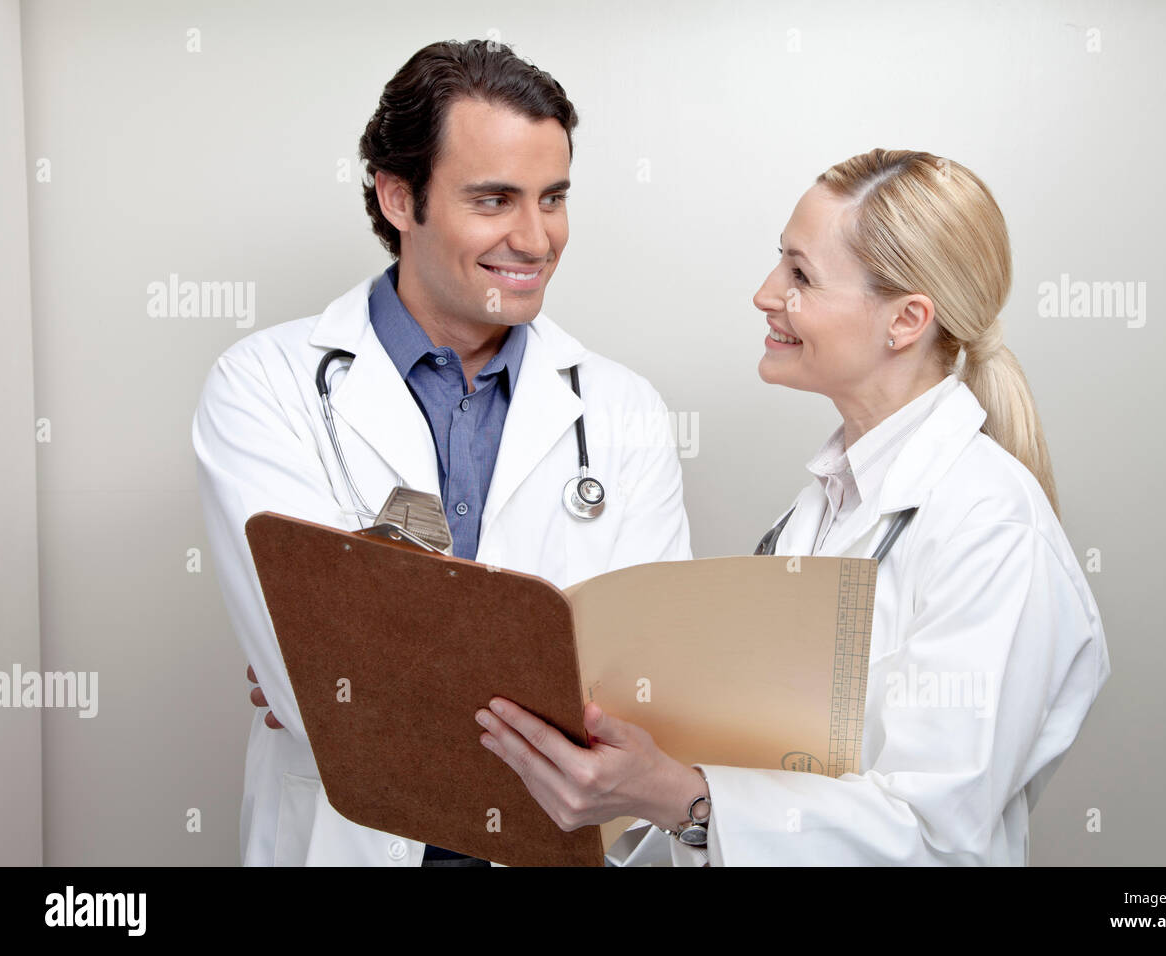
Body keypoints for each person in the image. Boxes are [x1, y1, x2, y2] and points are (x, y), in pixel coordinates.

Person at [476, 148, 1111, 866]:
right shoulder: (817, 513)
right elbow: (755, 793)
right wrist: (629, 790)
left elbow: (936, 840)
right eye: (781, 261)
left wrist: (678, 794)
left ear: (906, 320)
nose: (765, 292)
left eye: (801, 275)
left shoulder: (993, 530)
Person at [193, 39, 690, 867]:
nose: (536, 239)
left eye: (554, 197)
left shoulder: (622, 408)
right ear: (398, 197)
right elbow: (316, 695)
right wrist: (328, 685)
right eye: (494, 200)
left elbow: (648, 697)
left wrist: (384, 668)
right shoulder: (263, 386)